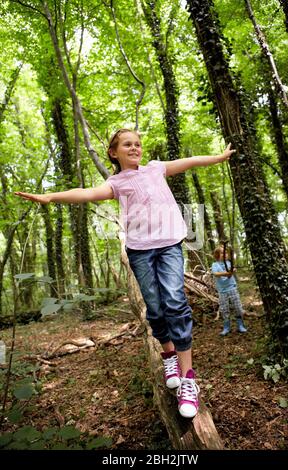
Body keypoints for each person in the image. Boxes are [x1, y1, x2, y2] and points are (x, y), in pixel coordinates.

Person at [15, 128, 236, 418]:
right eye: (127, 144)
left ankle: (188, 378)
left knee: (175, 303)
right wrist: (51, 196)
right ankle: (168, 353)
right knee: (155, 309)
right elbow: (85, 193)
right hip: (140, 250)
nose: (135, 148)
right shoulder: (116, 183)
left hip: (169, 244)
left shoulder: (156, 169)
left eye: (137, 144)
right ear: (113, 152)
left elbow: (191, 161)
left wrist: (219, 158)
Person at [211, 245, 247, 336]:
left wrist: (231, 272)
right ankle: (226, 327)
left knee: (237, 307)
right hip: (222, 291)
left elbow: (230, 275)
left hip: (232, 288)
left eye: (225, 252)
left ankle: (240, 325)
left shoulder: (229, 263)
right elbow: (216, 274)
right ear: (217, 255)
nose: (224, 254)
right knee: (224, 309)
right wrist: (227, 273)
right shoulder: (215, 265)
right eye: (222, 253)